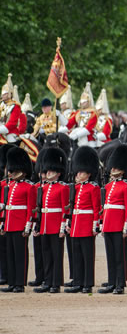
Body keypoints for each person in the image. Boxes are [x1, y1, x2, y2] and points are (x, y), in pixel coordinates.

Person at [97, 145, 127, 294]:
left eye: (115, 168)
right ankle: (111, 282)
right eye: (111, 168)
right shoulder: (107, 186)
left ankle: (120, 283)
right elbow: (105, 208)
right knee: (110, 256)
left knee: (119, 257)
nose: (112, 170)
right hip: (108, 225)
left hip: (119, 225)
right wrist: (102, 224)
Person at [64, 147, 101, 294]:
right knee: (77, 255)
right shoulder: (76, 188)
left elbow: (96, 208)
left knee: (87, 256)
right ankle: (78, 282)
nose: (78, 174)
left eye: (81, 172)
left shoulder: (93, 188)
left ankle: (87, 283)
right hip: (76, 225)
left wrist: (94, 225)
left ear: (88, 173)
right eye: (78, 172)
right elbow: (71, 207)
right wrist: (69, 223)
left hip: (86, 225)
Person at [33, 147, 69, 293]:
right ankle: (47, 282)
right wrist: (38, 226)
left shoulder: (63, 188)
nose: (48, 173)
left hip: (56, 226)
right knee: (46, 255)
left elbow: (65, 209)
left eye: (51, 171)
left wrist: (62, 227)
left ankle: (55, 283)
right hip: (45, 226)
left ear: (58, 173)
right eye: (47, 171)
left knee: (56, 255)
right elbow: (41, 210)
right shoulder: (44, 188)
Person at [0, 147, 34, 293]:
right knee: (10, 254)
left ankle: (20, 283)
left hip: (20, 224)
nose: (11, 173)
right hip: (9, 224)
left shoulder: (29, 187)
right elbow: (6, 207)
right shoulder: (9, 186)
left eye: (14, 170)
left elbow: (30, 208)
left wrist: (28, 226)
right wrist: (2, 224)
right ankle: (12, 282)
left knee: (20, 255)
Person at [0, 74, 26, 145]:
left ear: (10, 94)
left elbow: (12, 123)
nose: (3, 95)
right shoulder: (1, 105)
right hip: (1, 130)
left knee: (11, 145)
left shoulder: (15, 106)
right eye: (2, 93)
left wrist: (1, 129)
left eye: (5, 94)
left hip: (10, 132)